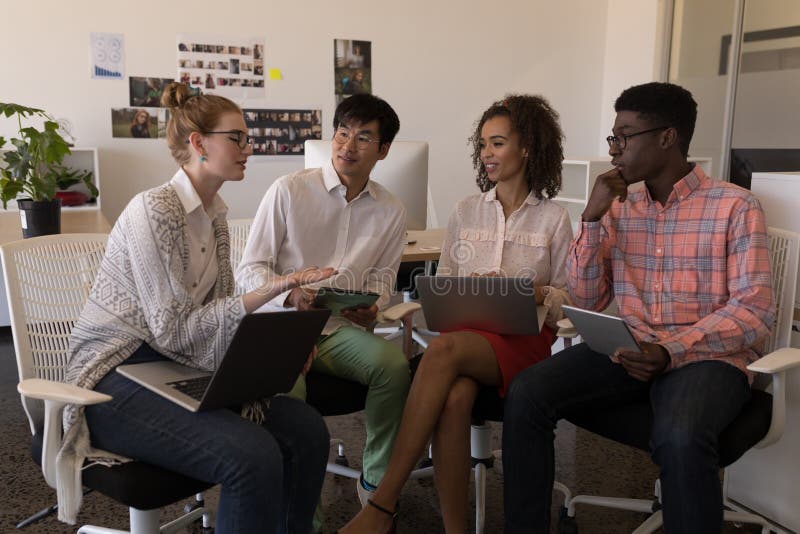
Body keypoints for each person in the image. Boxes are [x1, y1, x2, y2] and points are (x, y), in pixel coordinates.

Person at [58, 82, 335, 533]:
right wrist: (275, 287)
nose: (249, 148)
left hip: (170, 366)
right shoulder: (154, 209)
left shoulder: (215, 217)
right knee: (252, 455)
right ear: (198, 143)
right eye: (237, 138)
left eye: (248, 138)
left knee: (306, 430)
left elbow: (218, 319)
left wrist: (276, 354)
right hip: (109, 377)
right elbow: (175, 329)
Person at [502, 82, 775, 533]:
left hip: (707, 357)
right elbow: (588, 299)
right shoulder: (618, 207)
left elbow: (754, 311)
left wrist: (671, 351)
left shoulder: (735, 206)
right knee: (528, 392)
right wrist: (590, 220)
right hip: (630, 347)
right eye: (613, 138)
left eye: (624, 137)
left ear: (667, 137)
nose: (614, 150)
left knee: (681, 435)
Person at [339, 94, 573, 534]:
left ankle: (383, 502)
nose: (486, 153)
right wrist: (467, 290)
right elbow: (443, 281)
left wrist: (534, 290)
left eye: (498, 143)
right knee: (455, 398)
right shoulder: (466, 211)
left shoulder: (553, 219)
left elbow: (568, 295)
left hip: (522, 342)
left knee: (442, 350)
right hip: (465, 338)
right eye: (483, 144)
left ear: (527, 148)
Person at [236, 93, 408, 520]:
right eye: (342, 133)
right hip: (284, 327)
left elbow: (384, 278)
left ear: (384, 150)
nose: (349, 146)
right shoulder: (289, 191)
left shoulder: (391, 210)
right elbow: (248, 270)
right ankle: (301, 515)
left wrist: (375, 306)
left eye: (364, 137)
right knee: (289, 391)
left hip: (336, 330)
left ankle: (375, 486)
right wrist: (288, 293)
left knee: (393, 365)